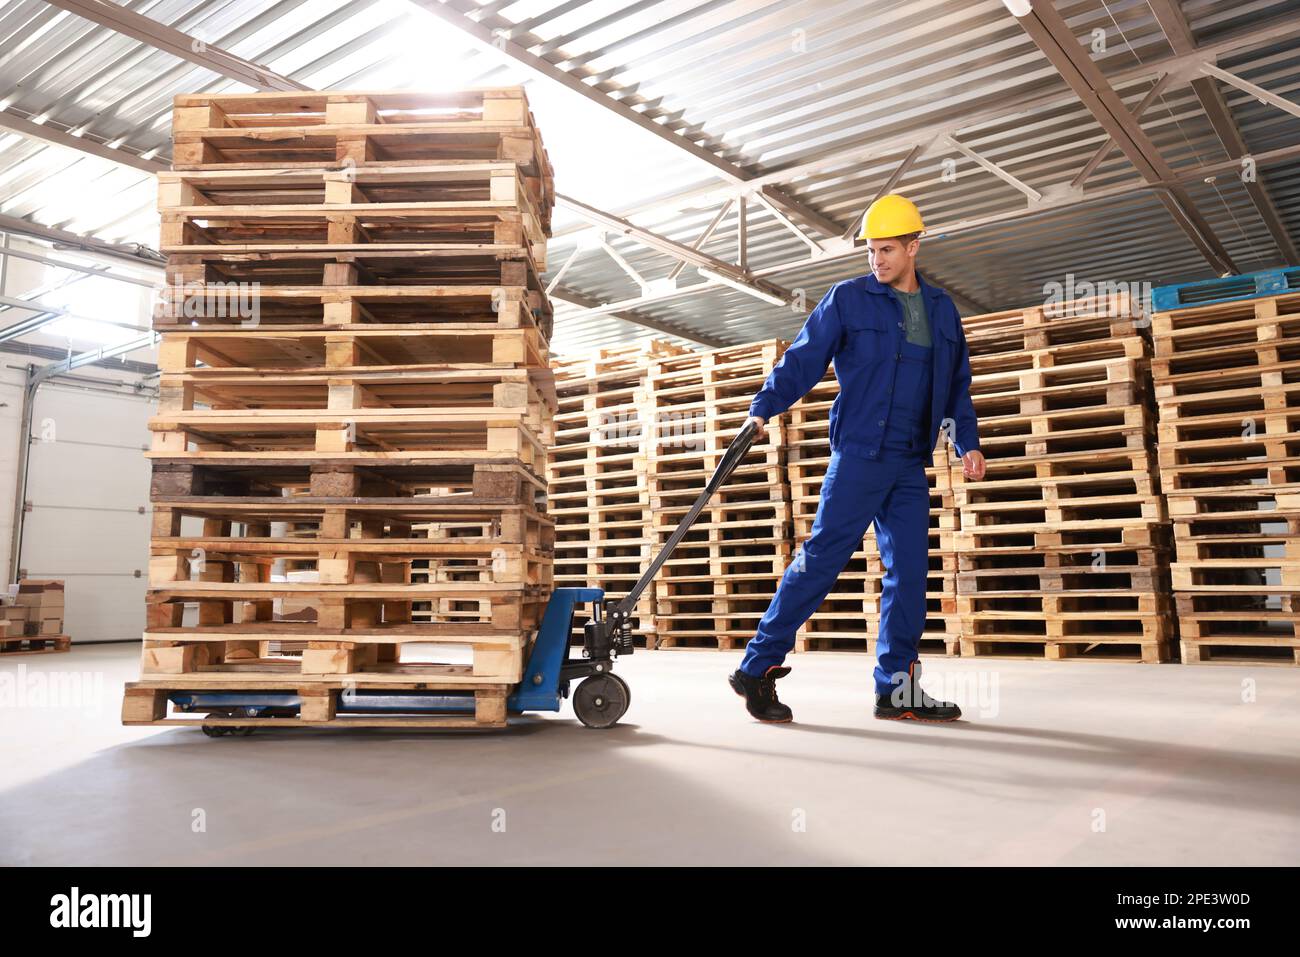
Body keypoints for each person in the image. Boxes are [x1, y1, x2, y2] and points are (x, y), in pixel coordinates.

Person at [728, 194, 985, 724]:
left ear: (915, 246)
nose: (878, 260)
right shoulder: (848, 299)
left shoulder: (941, 310)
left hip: (909, 463)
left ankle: (898, 690)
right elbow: (803, 358)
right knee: (821, 561)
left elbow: (958, 385)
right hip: (859, 457)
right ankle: (757, 668)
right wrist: (762, 409)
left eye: (888, 250)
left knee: (910, 575)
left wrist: (967, 442)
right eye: (871, 250)